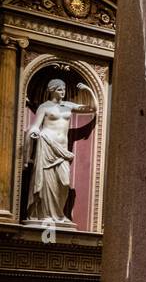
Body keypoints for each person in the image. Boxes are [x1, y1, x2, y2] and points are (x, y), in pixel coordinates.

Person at [26, 79, 95, 224]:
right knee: (45, 182)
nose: (63, 92)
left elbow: (93, 108)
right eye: (59, 89)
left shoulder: (68, 106)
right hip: (47, 145)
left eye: (64, 89)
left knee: (64, 182)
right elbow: (35, 126)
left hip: (62, 150)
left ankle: (58, 214)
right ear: (51, 90)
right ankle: (45, 215)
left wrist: (88, 91)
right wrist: (33, 132)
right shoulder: (44, 107)